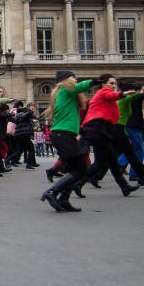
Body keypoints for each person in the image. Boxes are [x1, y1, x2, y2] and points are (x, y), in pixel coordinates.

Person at [39, 71, 98, 212]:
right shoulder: (65, 89)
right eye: (73, 78)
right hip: (63, 135)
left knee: (76, 169)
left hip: (63, 135)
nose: (76, 80)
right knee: (80, 169)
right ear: (65, 80)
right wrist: (93, 82)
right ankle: (53, 192)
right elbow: (80, 86)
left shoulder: (64, 94)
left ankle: (64, 199)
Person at [77, 74, 140, 197]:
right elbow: (111, 96)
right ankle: (76, 183)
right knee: (101, 162)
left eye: (115, 83)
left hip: (101, 129)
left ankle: (125, 187)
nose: (114, 85)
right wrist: (122, 94)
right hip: (98, 129)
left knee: (112, 161)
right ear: (103, 84)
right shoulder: (104, 92)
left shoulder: (100, 95)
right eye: (111, 83)